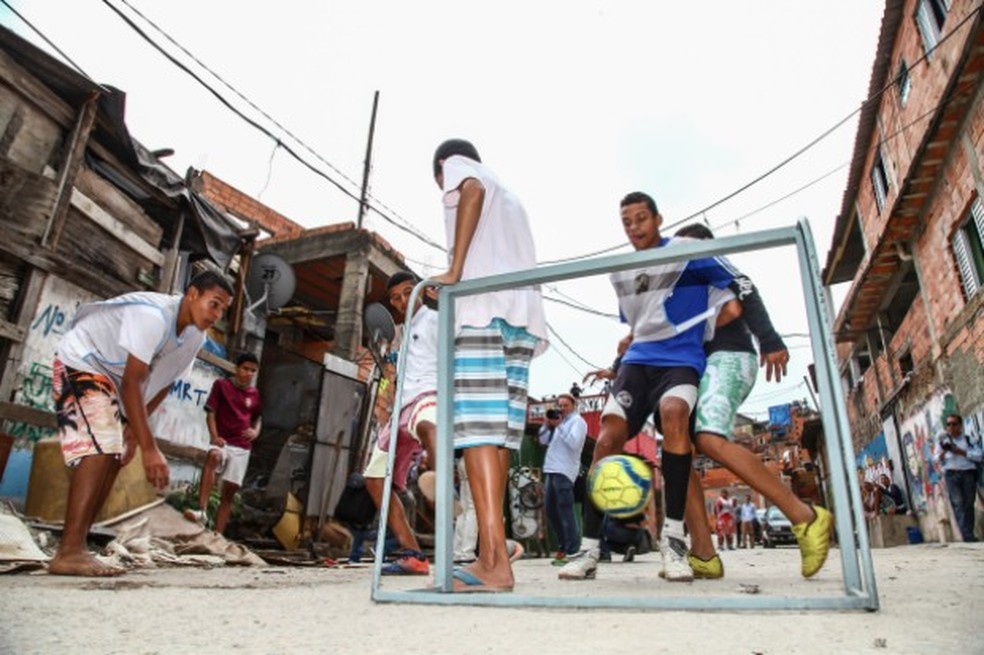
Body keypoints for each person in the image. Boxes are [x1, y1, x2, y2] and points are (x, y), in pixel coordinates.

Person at [560, 191, 741, 583]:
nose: (634, 227)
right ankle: (588, 549)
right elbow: (637, 326)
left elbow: (735, 294)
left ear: (658, 219)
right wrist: (619, 361)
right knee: (607, 437)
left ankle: (674, 542)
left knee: (674, 416)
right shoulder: (623, 272)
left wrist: (715, 333)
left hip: (681, 361)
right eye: (626, 221)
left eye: (641, 218)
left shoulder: (686, 252)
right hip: (639, 362)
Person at [672, 222, 831, 580]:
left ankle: (804, 516)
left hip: (730, 357)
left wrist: (770, 339)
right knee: (676, 451)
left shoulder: (710, 261)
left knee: (708, 439)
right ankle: (703, 552)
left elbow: (746, 290)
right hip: (702, 366)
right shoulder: (682, 287)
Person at [49, 269, 234, 576]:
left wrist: (135, 435)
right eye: (213, 304)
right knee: (102, 444)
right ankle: (68, 551)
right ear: (192, 294)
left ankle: (77, 546)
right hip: (81, 359)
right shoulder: (153, 316)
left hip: (114, 379)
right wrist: (149, 448)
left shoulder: (195, 337)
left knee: (116, 454)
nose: (217, 315)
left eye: (223, 310)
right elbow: (132, 383)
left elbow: (164, 383)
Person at [430, 138, 548, 592]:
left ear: (444, 166)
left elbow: (471, 191)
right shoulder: (511, 196)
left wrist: (454, 271)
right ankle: (490, 556)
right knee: (497, 440)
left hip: (482, 309)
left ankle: (496, 561)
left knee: (478, 431)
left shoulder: (462, 169)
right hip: (520, 318)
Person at [362, 271, 439, 575]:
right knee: (373, 478)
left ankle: (441, 480)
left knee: (428, 426)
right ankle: (414, 555)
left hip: (428, 396)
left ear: (420, 291)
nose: (402, 301)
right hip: (400, 410)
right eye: (396, 298)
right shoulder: (401, 333)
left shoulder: (436, 320)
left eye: (408, 292)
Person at [184, 352, 262, 535]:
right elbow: (210, 412)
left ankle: (218, 534)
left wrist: (256, 432)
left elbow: (258, 418)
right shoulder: (221, 385)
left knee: (229, 492)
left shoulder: (254, 394)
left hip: (242, 447)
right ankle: (202, 511)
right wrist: (214, 436)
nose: (249, 373)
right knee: (213, 456)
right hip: (223, 442)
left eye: (253, 370)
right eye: (245, 368)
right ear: (237, 368)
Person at [538, 394, 588, 565]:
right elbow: (543, 440)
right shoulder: (561, 423)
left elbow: (575, 444)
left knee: (565, 511)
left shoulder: (578, 422)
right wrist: (547, 425)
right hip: (551, 469)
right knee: (551, 510)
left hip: (564, 470)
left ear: (574, 405)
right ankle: (563, 546)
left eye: (566, 405)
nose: (562, 408)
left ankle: (572, 550)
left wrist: (560, 426)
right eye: (560, 405)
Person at [933, 413, 982, 542]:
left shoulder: (968, 439)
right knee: (958, 503)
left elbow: (979, 455)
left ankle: (968, 532)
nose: (951, 427)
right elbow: (935, 458)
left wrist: (960, 452)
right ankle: (967, 535)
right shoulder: (943, 442)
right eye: (948, 424)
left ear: (960, 425)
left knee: (969, 504)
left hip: (968, 473)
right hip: (951, 474)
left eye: (954, 424)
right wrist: (944, 451)